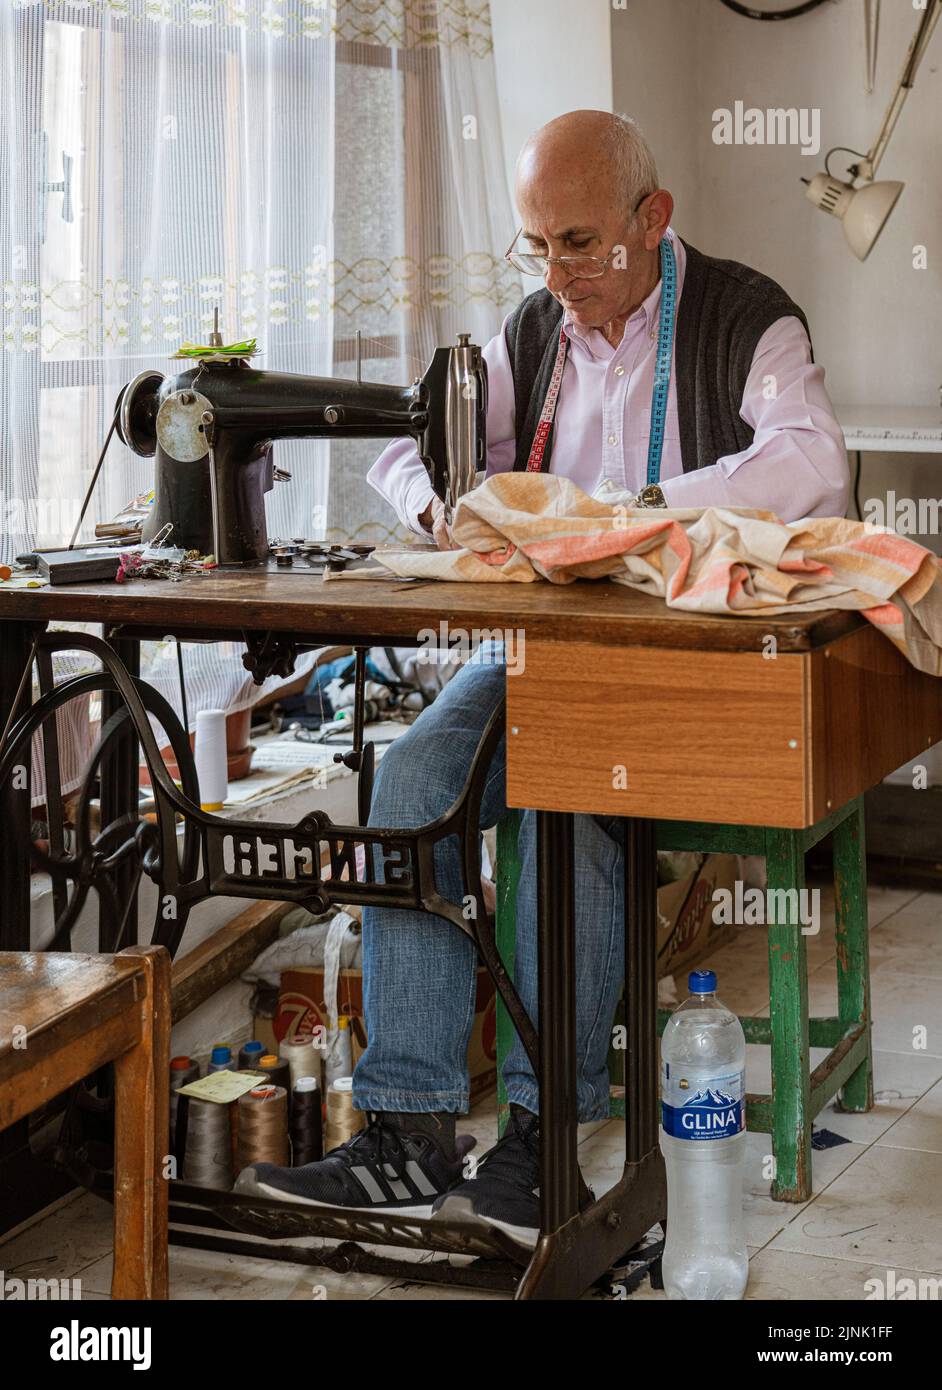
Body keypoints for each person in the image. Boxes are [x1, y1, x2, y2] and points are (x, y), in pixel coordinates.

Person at [236, 110, 849, 1248]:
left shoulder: (743, 315)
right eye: (536, 246)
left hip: (675, 659)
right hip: (540, 644)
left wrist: (637, 517)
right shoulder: (536, 331)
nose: (557, 274)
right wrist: (448, 502)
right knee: (415, 769)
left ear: (650, 220)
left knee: (562, 791)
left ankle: (541, 1127)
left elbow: (815, 459)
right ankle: (409, 1131)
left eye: (578, 243)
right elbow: (424, 448)